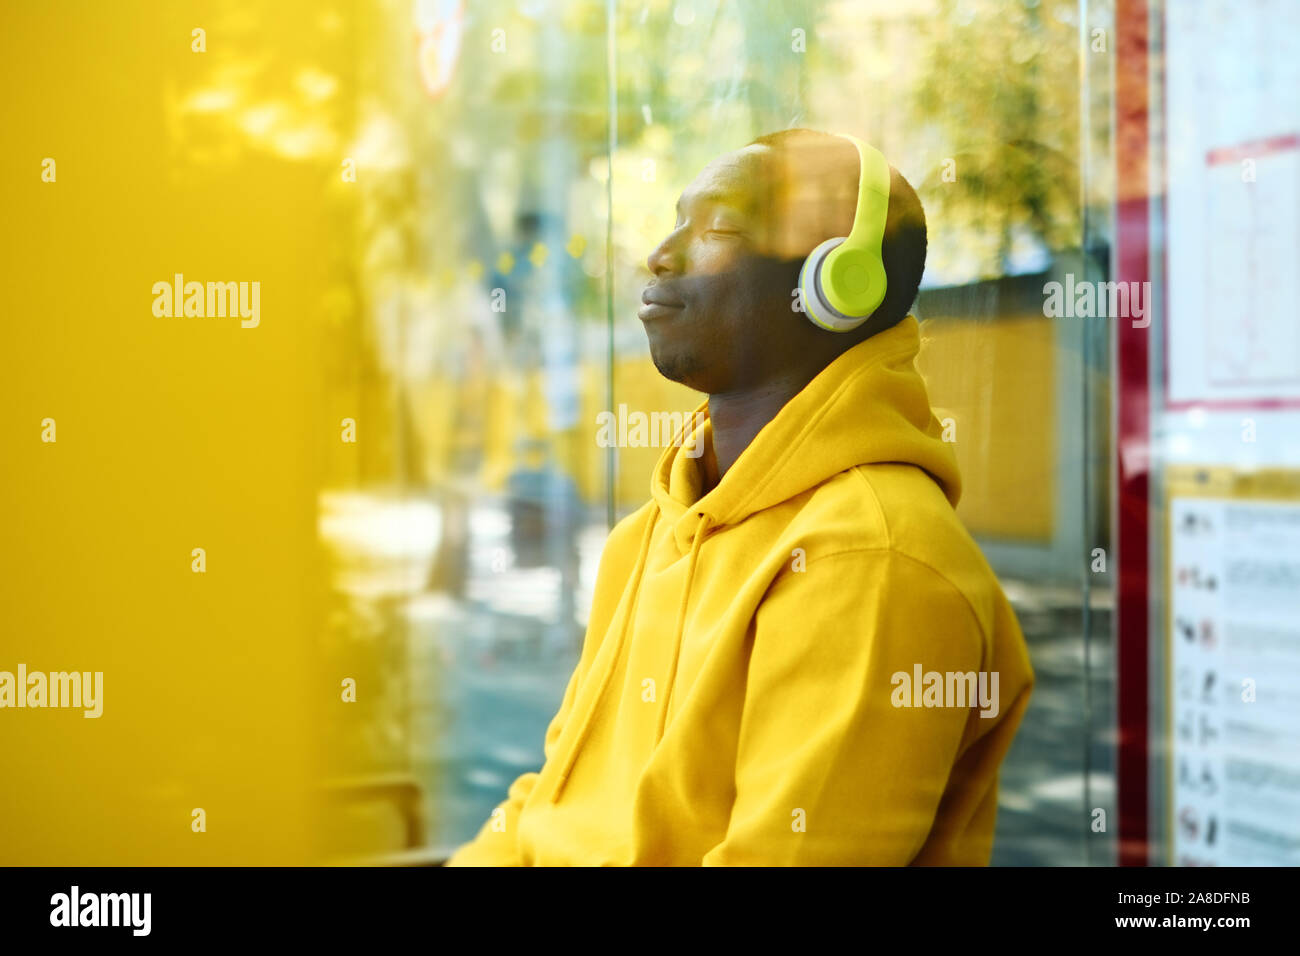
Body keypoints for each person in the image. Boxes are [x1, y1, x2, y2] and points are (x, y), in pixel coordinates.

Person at [446, 128, 1034, 866]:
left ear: (837, 284)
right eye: (674, 221)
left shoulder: (874, 561)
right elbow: (549, 804)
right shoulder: (647, 538)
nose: (660, 255)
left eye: (718, 228)